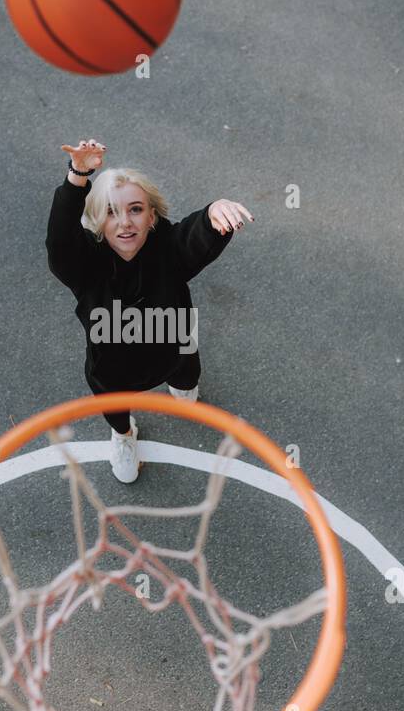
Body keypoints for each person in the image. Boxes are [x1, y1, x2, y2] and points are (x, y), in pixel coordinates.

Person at [46, 138, 253, 482]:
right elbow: (59, 242)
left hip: (173, 347)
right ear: (96, 220)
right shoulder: (84, 266)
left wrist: (214, 212)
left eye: (135, 209)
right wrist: (78, 177)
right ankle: (124, 436)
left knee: (187, 378)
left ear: (152, 215)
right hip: (112, 362)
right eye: (111, 212)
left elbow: (193, 234)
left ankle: (183, 388)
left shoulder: (168, 250)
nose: (125, 222)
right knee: (113, 405)